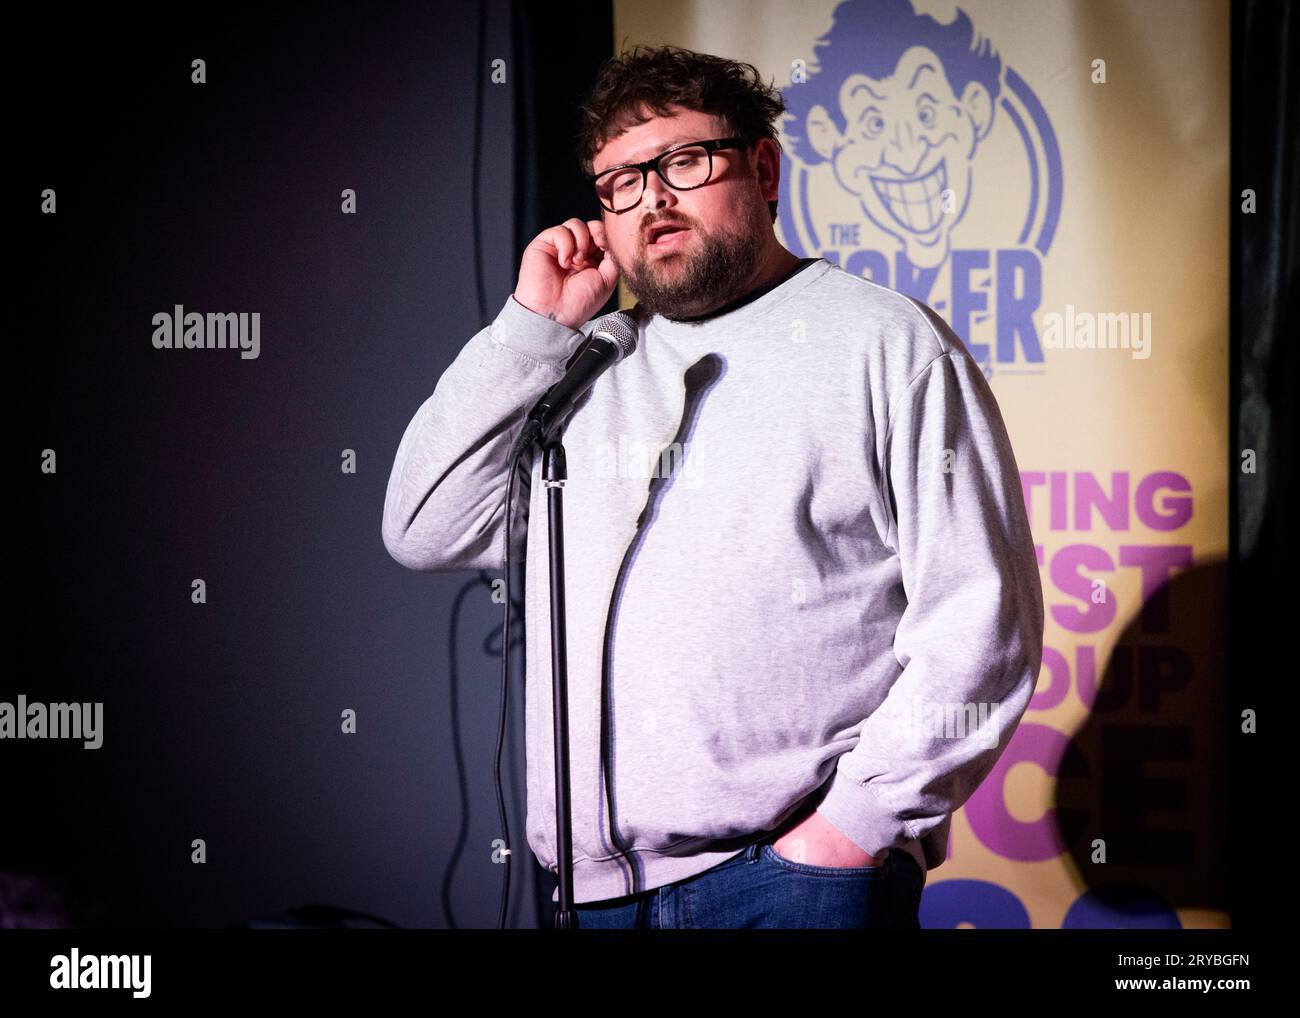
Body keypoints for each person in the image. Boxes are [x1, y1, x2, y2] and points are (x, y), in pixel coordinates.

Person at [381, 44, 1044, 929]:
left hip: (793, 882)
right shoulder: (582, 368)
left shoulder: (884, 345)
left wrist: (852, 829)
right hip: (596, 898)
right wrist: (531, 329)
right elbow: (424, 528)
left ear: (763, 168)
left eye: (683, 162)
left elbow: (982, 619)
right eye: (619, 181)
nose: (651, 197)